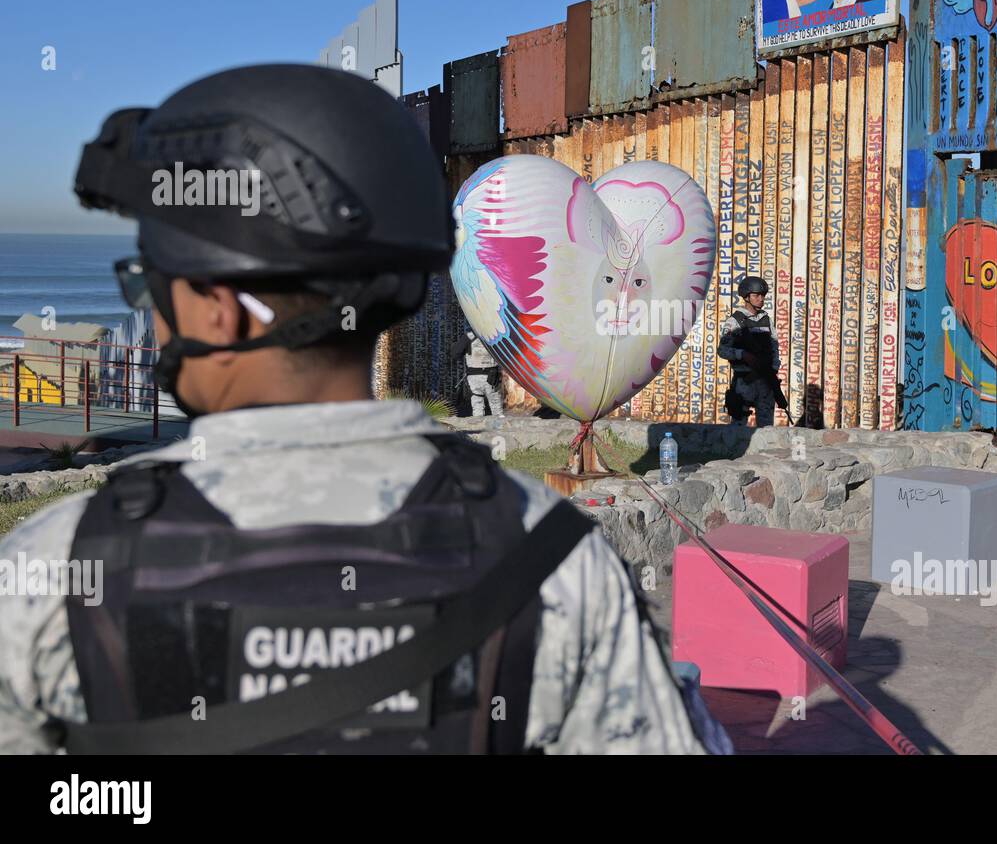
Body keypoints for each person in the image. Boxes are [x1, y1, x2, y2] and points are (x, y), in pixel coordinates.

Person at [0, 64, 730, 755]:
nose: (152, 319)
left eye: (148, 288)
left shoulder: (54, 573)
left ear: (221, 312)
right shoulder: (554, 562)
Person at [717, 276, 782, 427]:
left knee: (766, 429)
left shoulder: (766, 319)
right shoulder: (735, 321)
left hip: (765, 381)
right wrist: (743, 355)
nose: (761, 299)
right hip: (744, 382)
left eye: (763, 295)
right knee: (738, 427)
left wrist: (773, 368)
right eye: (756, 295)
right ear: (746, 297)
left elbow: (774, 347)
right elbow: (723, 350)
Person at [451, 327, 503, 417]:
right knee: (496, 408)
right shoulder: (496, 334)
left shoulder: (468, 336)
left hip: (474, 376)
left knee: (477, 406)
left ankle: (479, 429)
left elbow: (456, 353)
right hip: (492, 376)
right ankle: (499, 428)